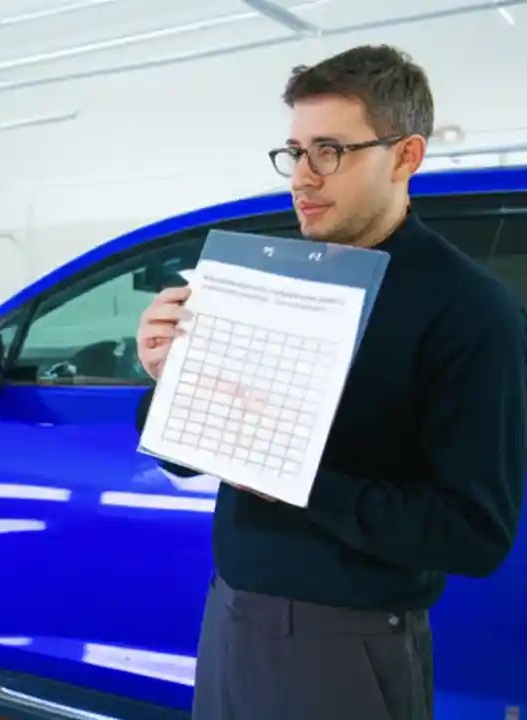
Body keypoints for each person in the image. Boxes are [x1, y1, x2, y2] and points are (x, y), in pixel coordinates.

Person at [135, 45, 527, 719]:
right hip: (231, 613)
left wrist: (294, 481)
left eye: (330, 151)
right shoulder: (277, 282)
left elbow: (472, 534)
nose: (302, 177)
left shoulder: (470, 311)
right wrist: (167, 378)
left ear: (405, 156)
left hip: (347, 642)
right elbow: (183, 452)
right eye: (295, 151)